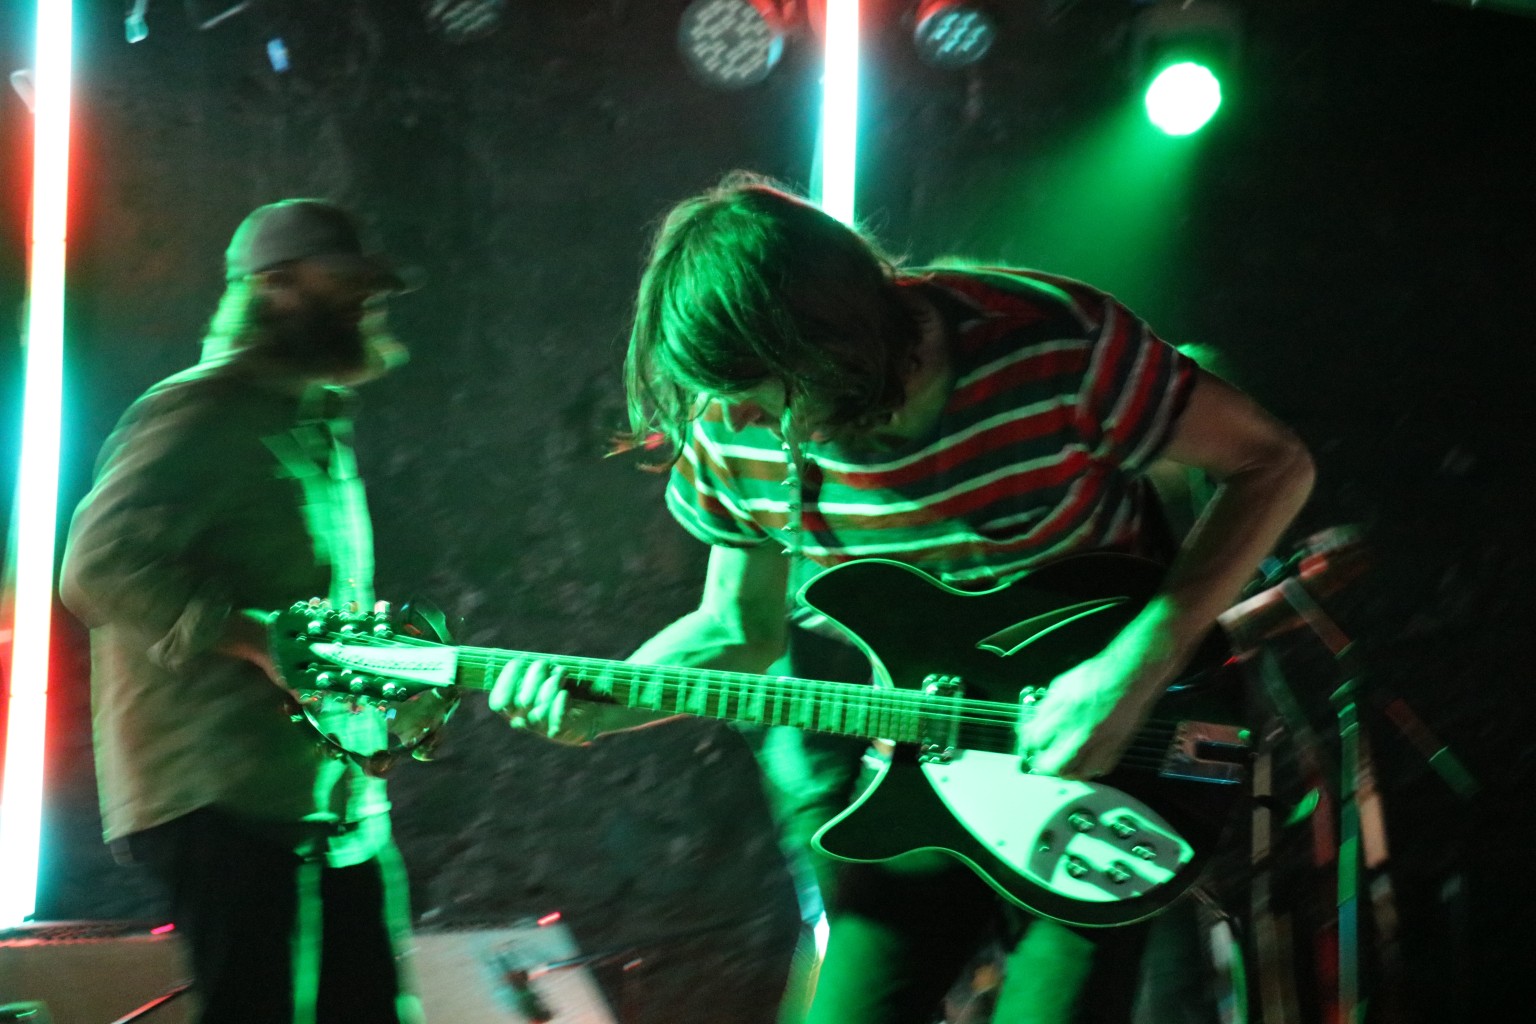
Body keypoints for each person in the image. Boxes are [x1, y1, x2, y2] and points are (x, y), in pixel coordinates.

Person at [491, 172, 1315, 1024]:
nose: (736, 418)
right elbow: (736, 629)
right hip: (918, 787)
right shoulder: (728, 426)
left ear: (835, 341)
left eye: (762, 390)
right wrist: (605, 707)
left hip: (1107, 770)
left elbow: (1273, 464)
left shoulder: (1052, 344)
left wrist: (1132, 666)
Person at [60, 198, 429, 1024]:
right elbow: (97, 566)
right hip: (221, 795)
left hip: (330, 800)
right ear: (274, 288)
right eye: (343, 286)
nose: (365, 303)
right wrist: (253, 637)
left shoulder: (317, 420)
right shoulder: (199, 410)